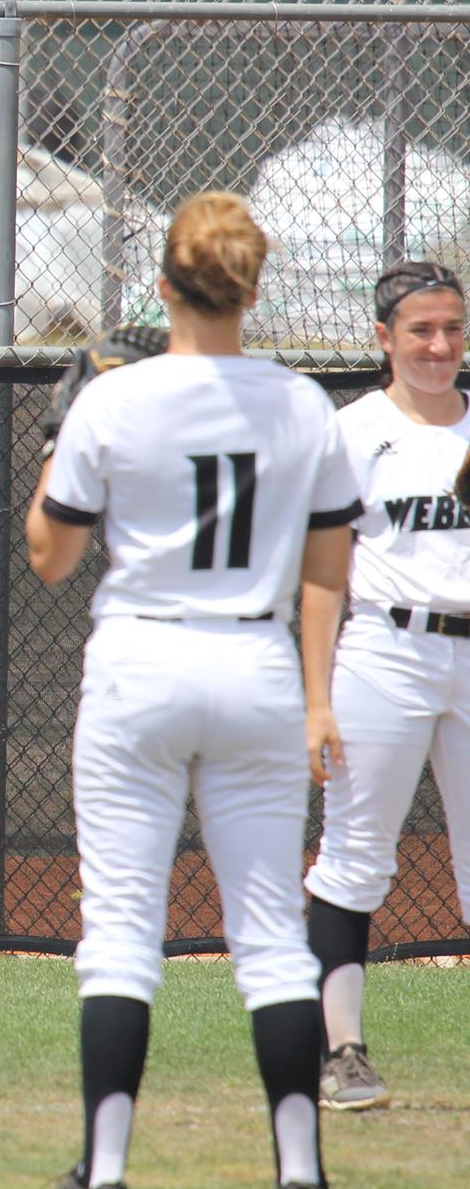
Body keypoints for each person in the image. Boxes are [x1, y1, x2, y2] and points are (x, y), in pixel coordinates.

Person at [26, 191, 359, 1189]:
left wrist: (56, 437)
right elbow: (328, 568)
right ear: (251, 293)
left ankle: (106, 1169)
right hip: (256, 664)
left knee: (122, 936)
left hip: (142, 660)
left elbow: (50, 555)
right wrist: (317, 699)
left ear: (163, 287)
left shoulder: (116, 399)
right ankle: (299, 1170)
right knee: (272, 942)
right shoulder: (302, 403)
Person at [301, 260, 470, 1111]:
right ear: (383, 337)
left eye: (453, 328)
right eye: (420, 330)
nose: (439, 346)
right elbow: (322, 574)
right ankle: (342, 1052)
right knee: (355, 857)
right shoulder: (353, 432)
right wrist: (316, 699)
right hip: (386, 648)